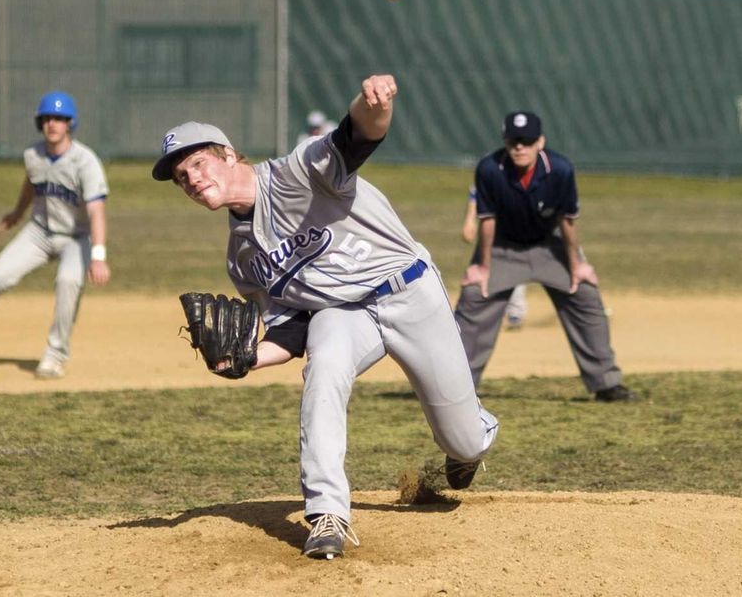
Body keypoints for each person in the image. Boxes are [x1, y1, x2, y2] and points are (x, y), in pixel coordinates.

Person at [152, 75, 499, 560]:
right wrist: (246, 359)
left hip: (408, 291)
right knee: (323, 366)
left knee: (462, 440)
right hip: (342, 313)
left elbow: (357, 136)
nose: (191, 180)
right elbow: (292, 328)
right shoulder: (242, 258)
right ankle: (328, 513)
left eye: (197, 163)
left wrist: (372, 102)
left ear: (229, 154)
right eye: (181, 178)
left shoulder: (297, 172)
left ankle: (471, 443)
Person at [454, 111, 635, 402]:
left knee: (585, 293)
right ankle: (456, 386)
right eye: (514, 141)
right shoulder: (490, 168)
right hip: (504, 246)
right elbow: (487, 220)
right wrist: (483, 267)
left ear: (541, 142)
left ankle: (606, 383)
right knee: (475, 295)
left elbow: (567, 221)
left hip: (549, 245)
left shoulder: (560, 169)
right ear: (505, 141)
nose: (519, 148)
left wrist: (577, 265)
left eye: (526, 141)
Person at [0, 91, 111, 379]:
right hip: (39, 232)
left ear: (70, 123)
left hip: (77, 237)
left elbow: (96, 211)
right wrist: (17, 213)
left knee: (68, 282)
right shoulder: (32, 155)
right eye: (47, 118)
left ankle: (55, 356)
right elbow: (31, 184)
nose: (52, 123)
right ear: (39, 123)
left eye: (60, 118)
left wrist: (99, 255)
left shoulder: (85, 161)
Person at [462, 185, 529, 330]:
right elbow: (474, 199)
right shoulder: (484, 179)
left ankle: (515, 311)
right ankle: (479, 312)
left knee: (515, 269)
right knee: (480, 273)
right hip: (490, 239)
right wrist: (469, 221)